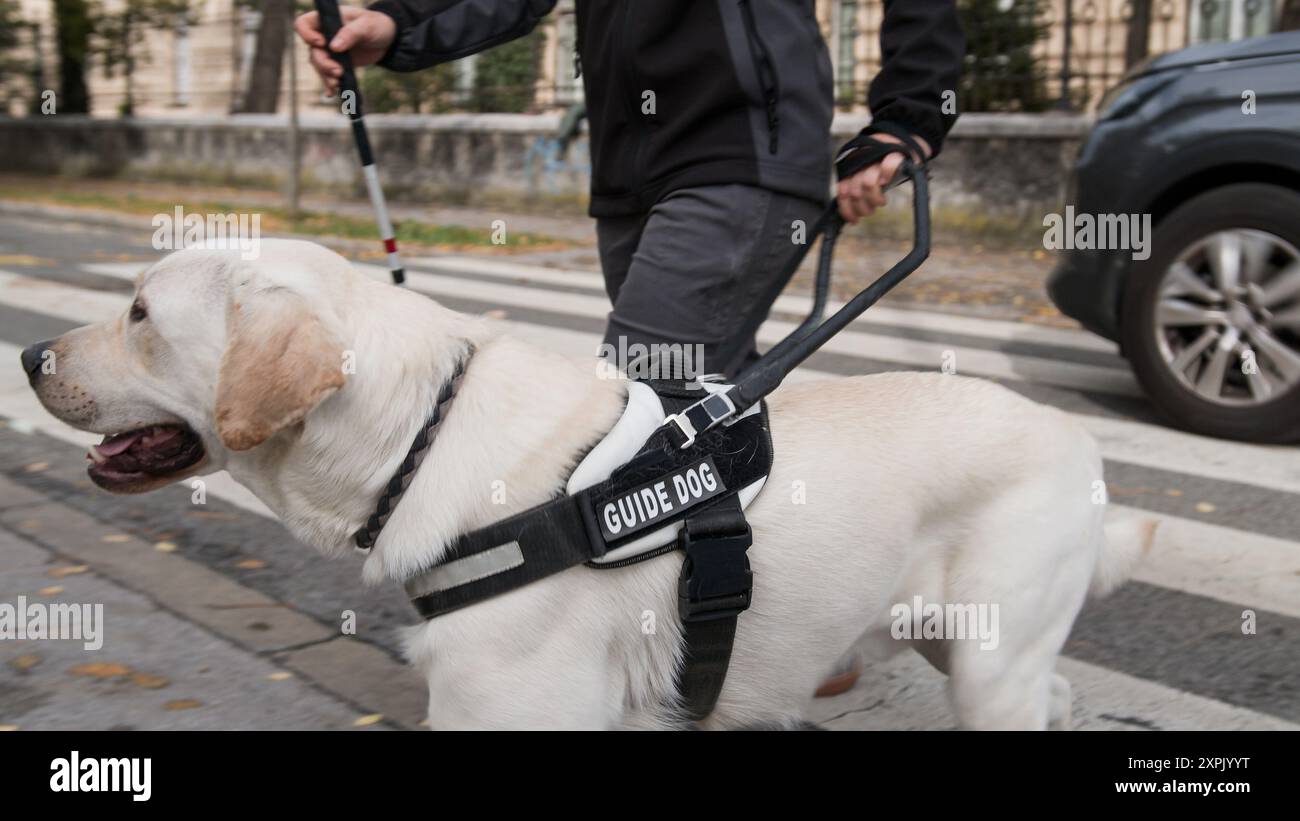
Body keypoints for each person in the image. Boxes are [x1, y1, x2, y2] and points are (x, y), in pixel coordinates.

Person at [295, 0, 963, 695]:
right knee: (708, 417)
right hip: (632, 167)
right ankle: (809, 632)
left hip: (742, 144)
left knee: (631, 429)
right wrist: (402, 27)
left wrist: (906, 118)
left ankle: (579, 674)